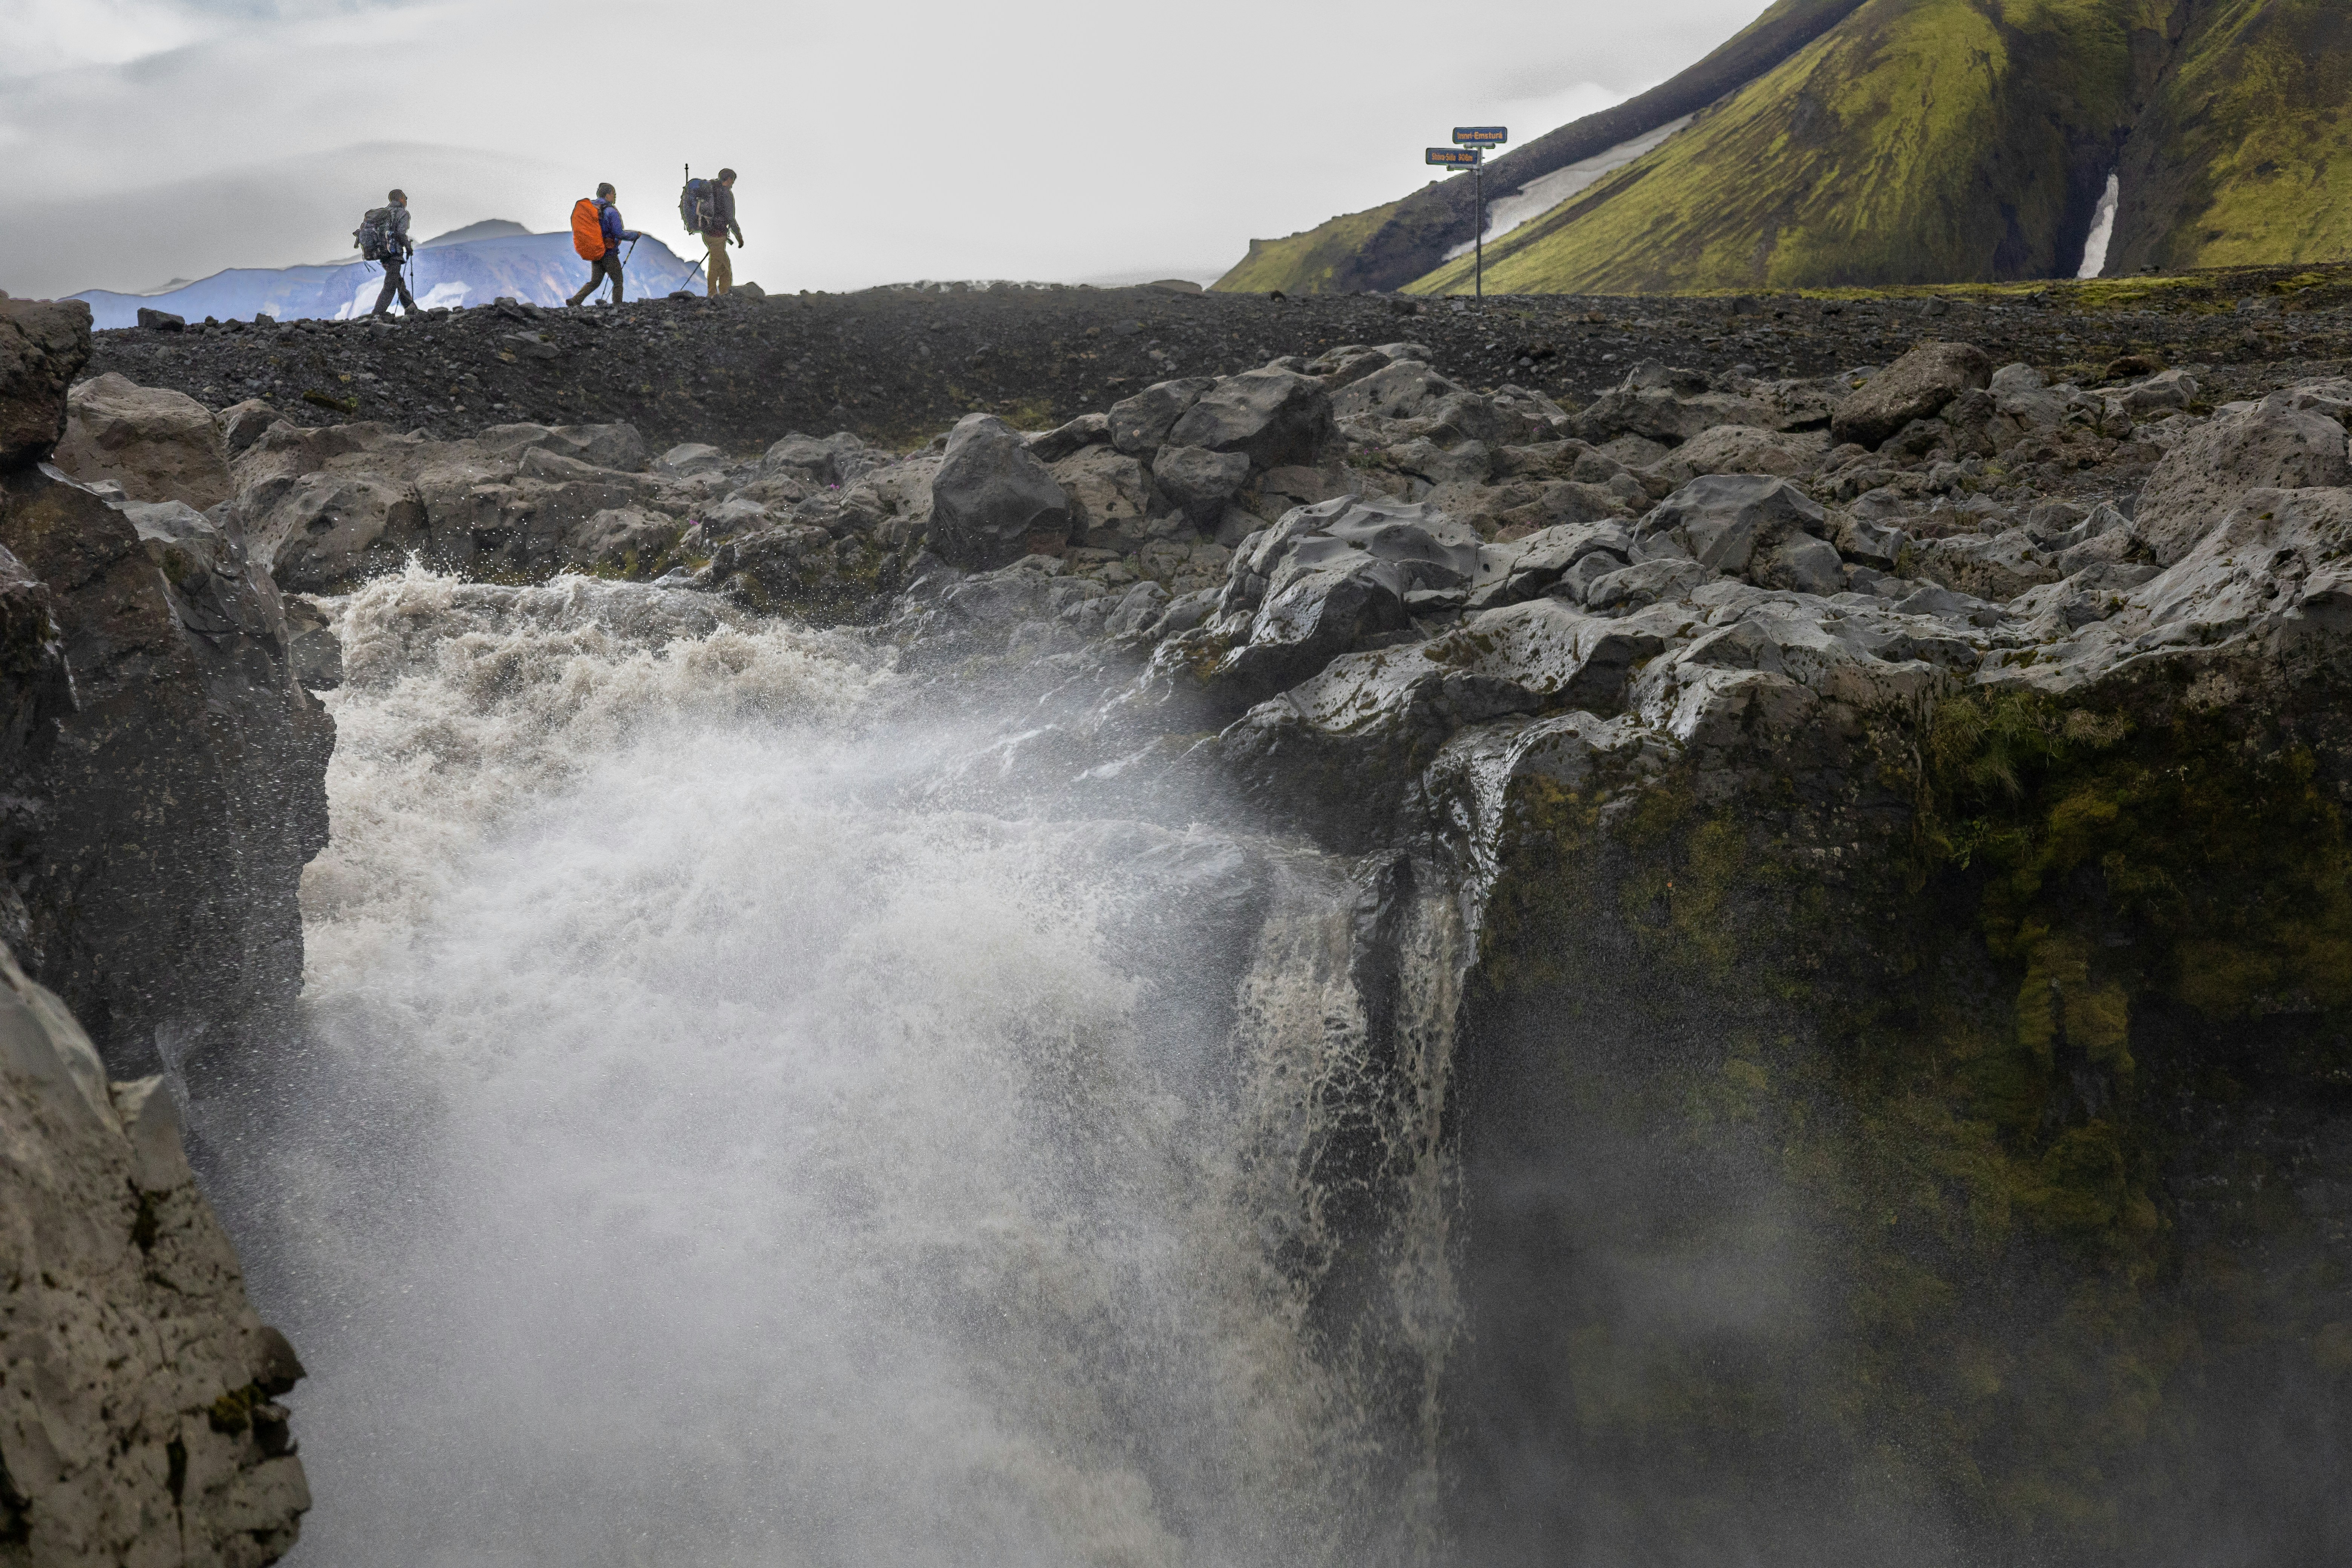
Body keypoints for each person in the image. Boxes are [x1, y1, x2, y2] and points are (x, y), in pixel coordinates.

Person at [567, 184, 642, 307]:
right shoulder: (611, 211)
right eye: (613, 194)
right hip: (609, 253)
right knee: (618, 281)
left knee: (595, 282)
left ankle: (575, 301)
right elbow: (618, 232)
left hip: (596, 250)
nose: (615, 196)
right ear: (608, 195)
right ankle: (618, 306)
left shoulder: (592, 209)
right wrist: (635, 236)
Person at [372, 189, 416, 318]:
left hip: (382, 255)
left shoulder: (384, 213)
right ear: (401, 199)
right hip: (394, 254)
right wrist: (408, 248)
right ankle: (377, 314)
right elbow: (401, 233)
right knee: (390, 286)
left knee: (397, 280)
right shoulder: (402, 214)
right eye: (405, 198)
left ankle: (410, 307)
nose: (406, 201)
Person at [701, 168, 742, 297]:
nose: (733, 183)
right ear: (729, 179)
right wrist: (739, 236)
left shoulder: (711, 189)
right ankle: (712, 293)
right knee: (715, 264)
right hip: (718, 235)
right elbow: (731, 218)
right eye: (733, 180)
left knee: (725, 266)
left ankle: (725, 292)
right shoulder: (726, 194)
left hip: (707, 233)